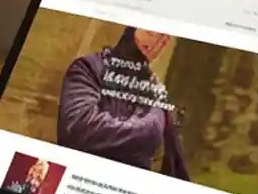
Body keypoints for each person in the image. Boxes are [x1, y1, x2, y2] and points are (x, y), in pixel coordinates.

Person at [57, 27, 190, 180]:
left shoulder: (154, 91)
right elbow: (79, 128)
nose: (159, 42)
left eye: (166, 37)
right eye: (152, 32)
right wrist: (151, 126)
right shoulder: (88, 68)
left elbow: (175, 166)